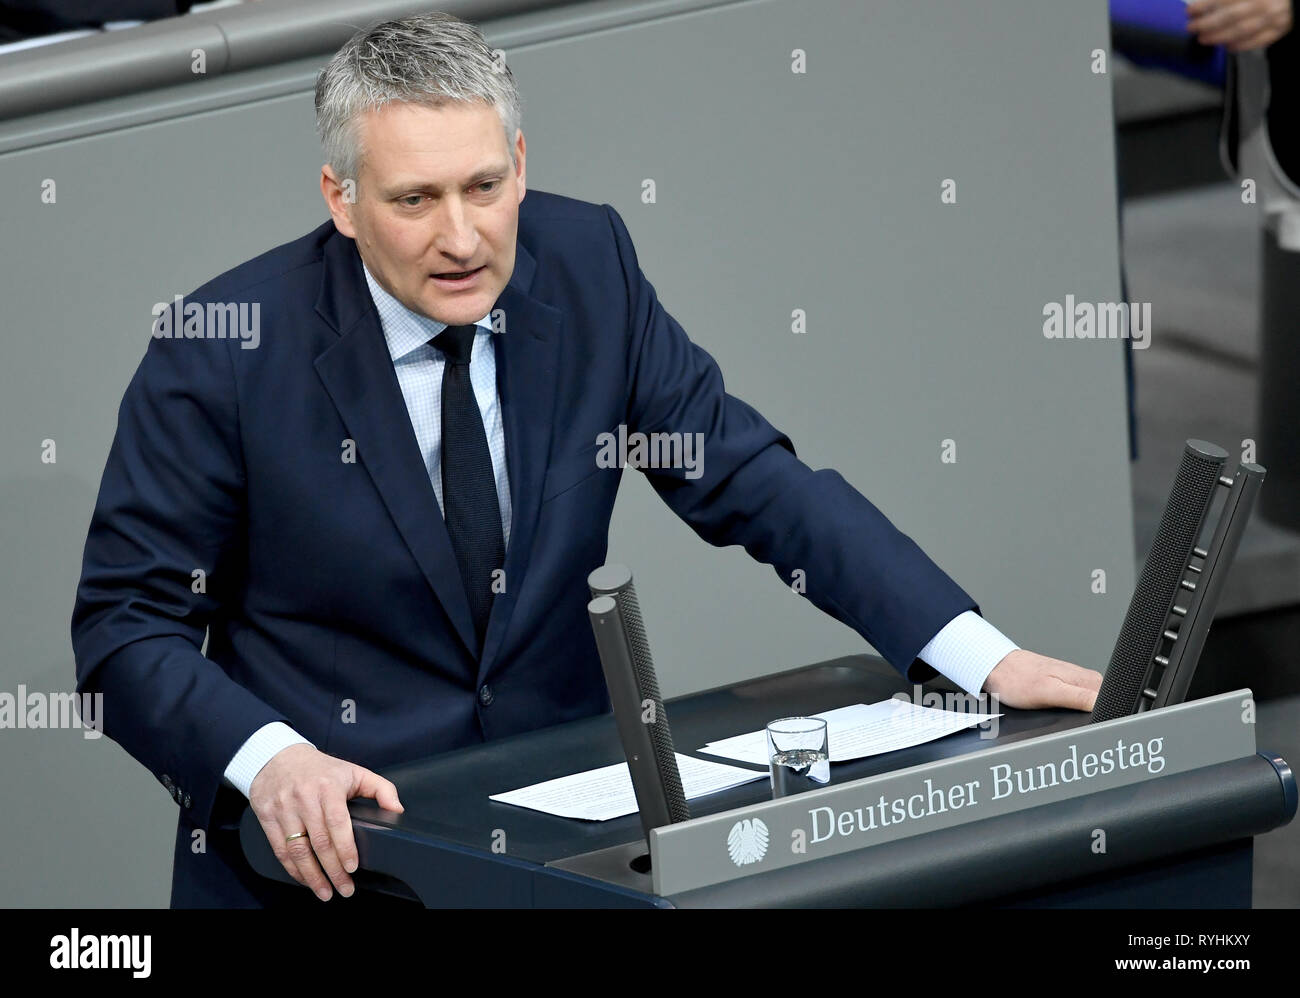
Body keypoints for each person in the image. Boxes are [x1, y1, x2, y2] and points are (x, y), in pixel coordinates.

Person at [71, 12, 1101, 909]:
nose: (462, 236)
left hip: (557, 851)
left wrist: (972, 654)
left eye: (485, 186)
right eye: (415, 200)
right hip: (330, 869)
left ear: (521, 163)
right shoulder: (223, 349)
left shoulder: (589, 266)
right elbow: (123, 628)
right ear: (341, 200)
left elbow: (750, 477)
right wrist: (269, 760)